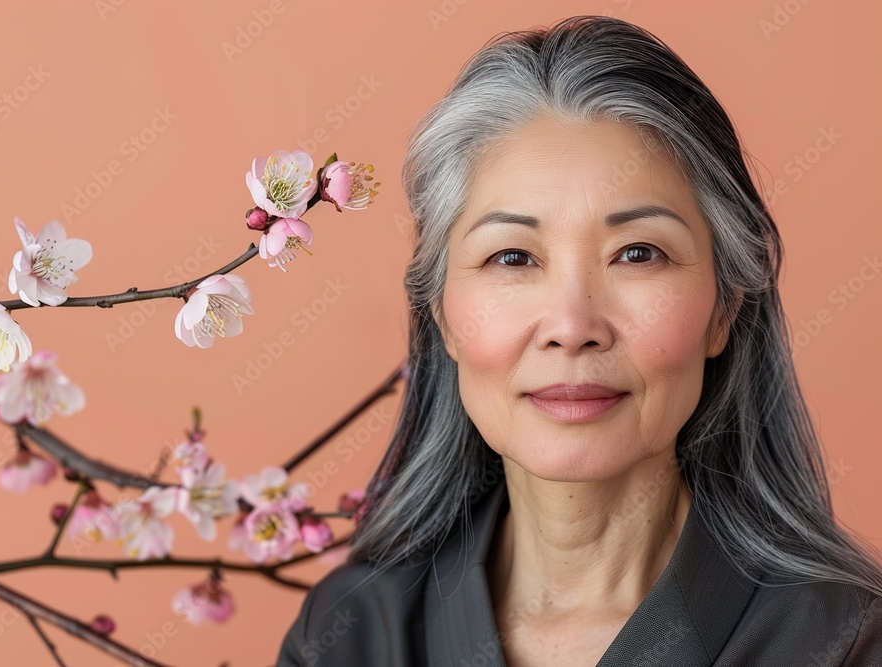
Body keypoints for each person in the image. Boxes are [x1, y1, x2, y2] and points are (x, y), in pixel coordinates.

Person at [276, 15, 882, 667]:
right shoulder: (351, 633)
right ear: (442, 315)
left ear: (723, 308)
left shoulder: (841, 641)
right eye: (512, 258)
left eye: (639, 252)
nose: (572, 325)